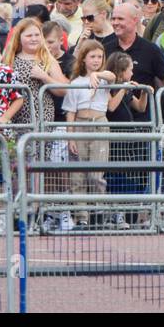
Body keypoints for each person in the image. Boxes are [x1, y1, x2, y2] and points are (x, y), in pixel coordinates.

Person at [63, 41, 118, 227]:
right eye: (92, 56)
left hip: (99, 124)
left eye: (99, 57)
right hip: (80, 125)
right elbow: (70, 112)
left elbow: (112, 76)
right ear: (84, 58)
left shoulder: (103, 79)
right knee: (78, 174)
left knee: (97, 173)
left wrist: (97, 73)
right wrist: (70, 136)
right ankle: (82, 216)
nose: (96, 60)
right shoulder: (76, 82)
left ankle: (99, 211)